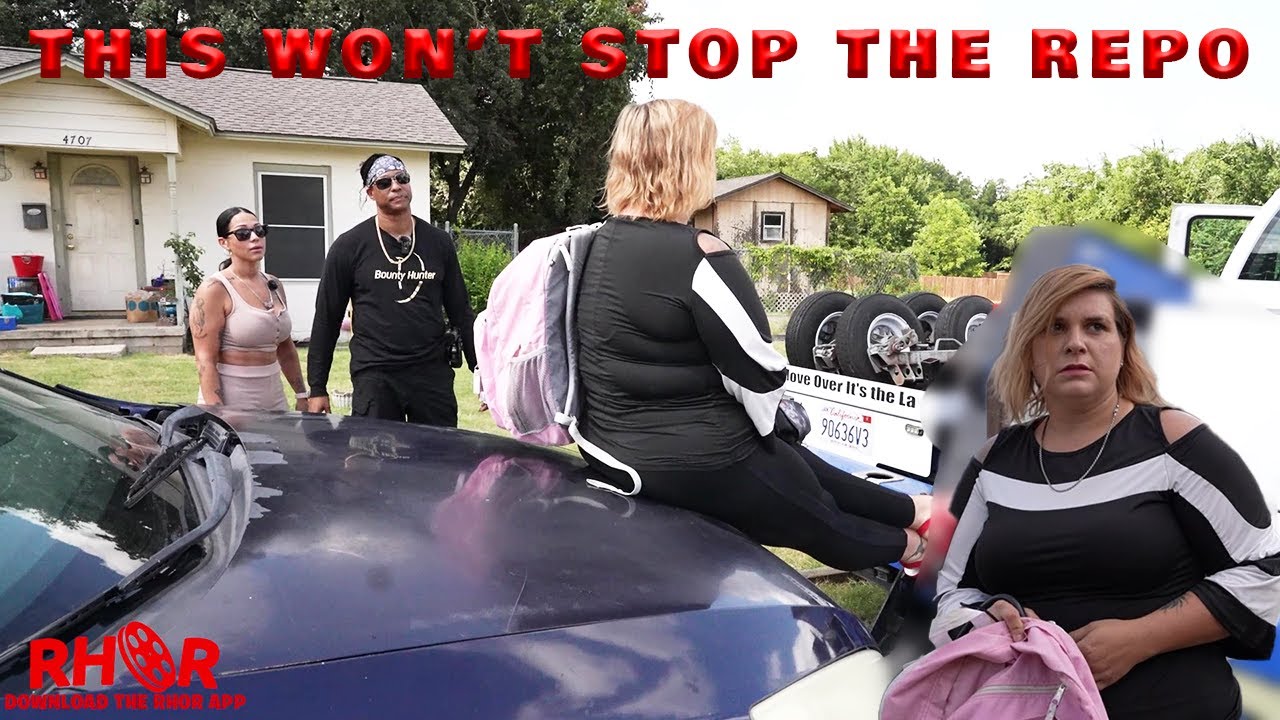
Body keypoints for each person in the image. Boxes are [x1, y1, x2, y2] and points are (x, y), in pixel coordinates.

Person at [570, 98, 930, 573]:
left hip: (610, 445)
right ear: (688, 163)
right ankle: (915, 548)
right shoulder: (699, 254)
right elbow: (760, 373)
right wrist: (772, 430)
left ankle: (916, 510)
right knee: (818, 516)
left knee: (803, 470)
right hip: (697, 457)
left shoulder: (591, 244)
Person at [930, 264, 1280, 719]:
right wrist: (991, 616)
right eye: (1055, 328)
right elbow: (952, 593)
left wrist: (1142, 638)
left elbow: (1268, 566)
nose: (1075, 342)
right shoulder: (994, 462)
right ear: (1030, 351)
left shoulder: (1173, 443)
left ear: (1122, 347)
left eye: (1095, 326)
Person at [306, 153, 477, 426]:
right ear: (371, 192)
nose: (396, 186)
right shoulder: (349, 247)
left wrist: (480, 372)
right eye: (384, 182)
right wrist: (317, 387)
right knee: (376, 464)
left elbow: (461, 311)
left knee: (439, 460)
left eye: (402, 179)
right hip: (376, 374)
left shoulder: (438, 243)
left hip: (431, 372)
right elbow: (327, 318)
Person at [191, 207, 307, 412]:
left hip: (274, 398)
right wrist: (218, 414)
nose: (254, 238)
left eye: (259, 231)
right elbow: (205, 360)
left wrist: (301, 395)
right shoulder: (214, 290)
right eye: (243, 234)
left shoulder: (274, 284)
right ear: (224, 243)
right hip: (233, 401)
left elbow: (285, 348)